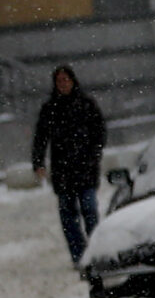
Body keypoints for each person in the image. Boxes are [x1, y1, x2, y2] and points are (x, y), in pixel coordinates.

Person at [30, 64, 106, 265]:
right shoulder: (50, 109)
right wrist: (38, 162)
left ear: (73, 81)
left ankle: (97, 251)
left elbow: (99, 132)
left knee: (90, 211)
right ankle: (78, 255)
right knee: (68, 215)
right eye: (59, 81)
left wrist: (93, 154)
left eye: (66, 80)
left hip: (86, 168)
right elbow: (41, 138)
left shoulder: (86, 104)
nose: (63, 84)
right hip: (63, 171)